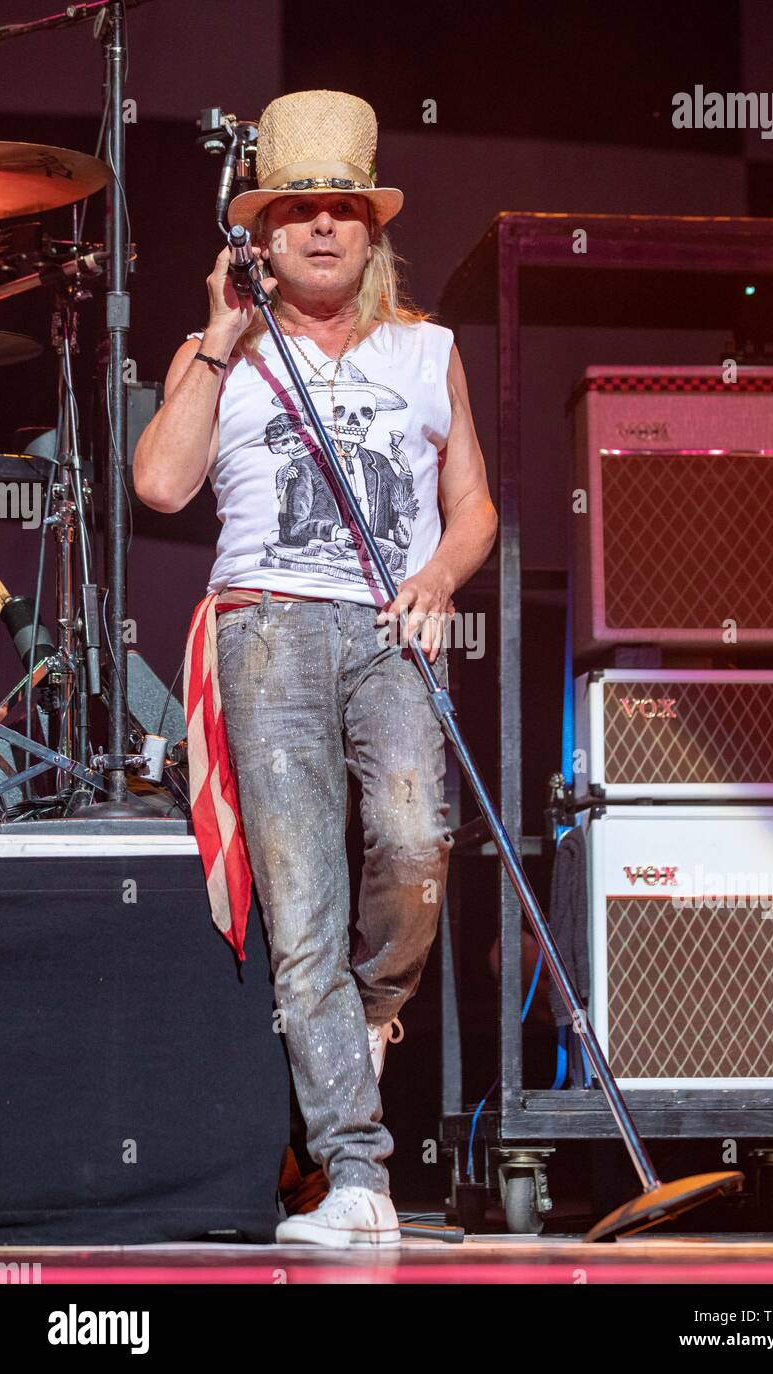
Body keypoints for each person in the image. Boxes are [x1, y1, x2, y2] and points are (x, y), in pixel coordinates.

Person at [133, 90, 497, 1248]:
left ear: (373, 228)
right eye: (298, 208)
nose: (324, 227)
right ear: (261, 234)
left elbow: (474, 507)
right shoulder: (227, 356)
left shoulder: (424, 348)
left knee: (412, 843)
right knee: (303, 906)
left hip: (389, 631)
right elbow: (158, 487)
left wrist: (437, 578)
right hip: (267, 629)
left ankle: (364, 1014)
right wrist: (217, 333)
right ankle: (352, 1169)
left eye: (344, 207)